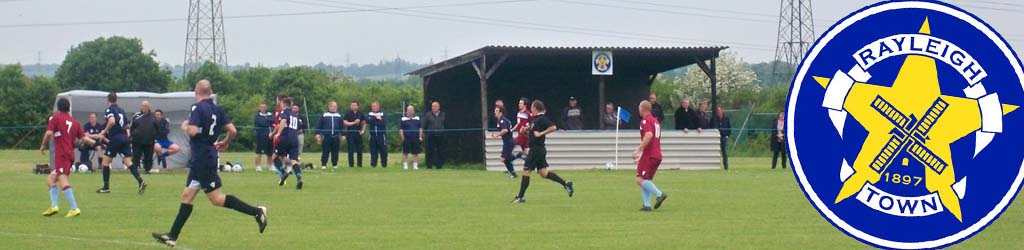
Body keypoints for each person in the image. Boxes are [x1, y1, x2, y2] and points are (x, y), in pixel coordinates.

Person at [151, 80, 268, 247]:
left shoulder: (198, 108)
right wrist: (225, 142)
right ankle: (172, 236)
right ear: (210, 91)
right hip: (203, 157)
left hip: (203, 158)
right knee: (187, 196)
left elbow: (192, 130)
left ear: (196, 91)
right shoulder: (217, 109)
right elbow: (233, 130)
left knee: (217, 198)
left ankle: (257, 212)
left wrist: (185, 126)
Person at [40, 98, 95, 218]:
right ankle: (54, 206)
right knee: (50, 180)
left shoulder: (55, 118)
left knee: (62, 179)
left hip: (62, 155)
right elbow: (84, 138)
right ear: (68, 108)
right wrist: (96, 144)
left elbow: (49, 133)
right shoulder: (75, 122)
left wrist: (43, 145)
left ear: (58, 108)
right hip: (69, 155)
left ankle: (74, 208)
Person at [511, 100, 574, 204]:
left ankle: (520, 197)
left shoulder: (542, 119)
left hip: (536, 149)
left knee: (526, 171)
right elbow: (532, 129)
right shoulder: (535, 120)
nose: (531, 109)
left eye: (532, 107)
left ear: (535, 108)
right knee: (543, 173)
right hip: (539, 150)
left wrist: (541, 133)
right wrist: (525, 130)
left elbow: (553, 127)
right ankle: (566, 183)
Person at [96, 92, 146, 194]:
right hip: (124, 137)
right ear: (116, 99)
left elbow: (112, 121)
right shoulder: (121, 110)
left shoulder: (109, 109)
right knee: (128, 161)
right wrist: (126, 136)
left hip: (116, 137)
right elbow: (127, 126)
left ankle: (106, 187)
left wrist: (103, 132)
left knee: (105, 162)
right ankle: (140, 181)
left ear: (108, 100)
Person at [634, 100, 668, 211]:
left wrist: (639, 149)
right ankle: (647, 205)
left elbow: (649, 135)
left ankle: (659, 194)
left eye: (639, 108)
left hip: (650, 154)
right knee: (645, 179)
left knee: (639, 179)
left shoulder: (645, 121)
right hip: (657, 154)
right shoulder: (655, 121)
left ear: (642, 109)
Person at [273, 97, 305, 189]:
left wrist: (278, 133)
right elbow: (300, 129)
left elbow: (283, 121)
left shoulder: (284, 113)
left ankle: (283, 173)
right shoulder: (295, 115)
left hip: (285, 138)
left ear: (283, 104)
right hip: (294, 139)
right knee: (294, 161)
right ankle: (299, 177)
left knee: (274, 157)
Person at [490, 105, 518, 178]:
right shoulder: (503, 120)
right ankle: (513, 174)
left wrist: (497, 135)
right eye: (495, 111)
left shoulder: (502, 120)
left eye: (496, 111)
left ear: (501, 112)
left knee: (503, 159)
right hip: (508, 142)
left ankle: (519, 155)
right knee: (505, 160)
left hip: (508, 142)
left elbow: (505, 130)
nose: (495, 112)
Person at [316, 101, 343, 170]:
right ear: (329, 107)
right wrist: (317, 134)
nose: (335, 108)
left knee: (335, 151)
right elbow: (319, 125)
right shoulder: (324, 115)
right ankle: (324, 164)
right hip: (326, 136)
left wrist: (343, 134)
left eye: (336, 106)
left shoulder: (339, 115)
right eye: (333, 106)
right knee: (325, 151)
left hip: (336, 136)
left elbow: (342, 126)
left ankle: (334, 164)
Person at [423, 101, 446, 169]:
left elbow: (445, 124)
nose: (434, 107)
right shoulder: (428, 115)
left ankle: (439, 165)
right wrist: (427, 133)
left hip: (440, 135)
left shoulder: (443, 114)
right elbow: (425, 125)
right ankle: (429, 165)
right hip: (431, 136)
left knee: (440, 151)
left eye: (436, 106)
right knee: (430, 150)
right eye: (433, 106)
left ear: (439, 107)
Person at [399, 105, 422, 170]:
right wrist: (403, 138)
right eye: (408, 110)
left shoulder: (417, 118)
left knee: (415, 152)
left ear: (413, 111)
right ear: (406, 111)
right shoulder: (403, 119)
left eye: (411, 110)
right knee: (405, 152)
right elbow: (401, 129)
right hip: (406, 138)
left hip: (415, 138)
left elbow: (420, 128)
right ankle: (405, 166)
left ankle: (415, 166)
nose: (410, 112)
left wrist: (420, 137)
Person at [343, 101, 365, 168]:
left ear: (357, 106)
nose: (353, 106)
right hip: (350, 133)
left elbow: (364, 123)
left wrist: (363, 130)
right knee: (350, 150)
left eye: (354, 105)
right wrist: (353, 123)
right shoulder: (347, 113)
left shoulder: (360, 114)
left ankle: (359, 165)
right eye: (352, 105)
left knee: (359, 150)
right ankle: (351, 165)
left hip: (358, 134)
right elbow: (345, 123)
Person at [253, 103, 274, 172]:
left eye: (264, 107)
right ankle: (257, 166)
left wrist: (268, 121)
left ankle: (270, 165)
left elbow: (273, 120)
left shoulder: (270, 114)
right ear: (259, 108)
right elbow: (262, 122)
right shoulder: (257, 115)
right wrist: (268, 122)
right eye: (261, 107)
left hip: (270, 135)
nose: (263, 108)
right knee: (259, 151)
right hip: (261, 135)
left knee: (270, 151)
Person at [367, 101, 388, 168]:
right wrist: (376, 118)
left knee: (383, 151)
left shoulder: (382, 113)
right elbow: (368, 121)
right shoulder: (370, 113)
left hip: (381, 135)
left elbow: (383, 123)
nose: (374, 107)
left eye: (375, 106)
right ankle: (373, 165)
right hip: (372, 135)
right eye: (372, 106)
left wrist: (375, 121)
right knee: (373, 151)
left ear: (378, 106)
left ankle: (384, 165)